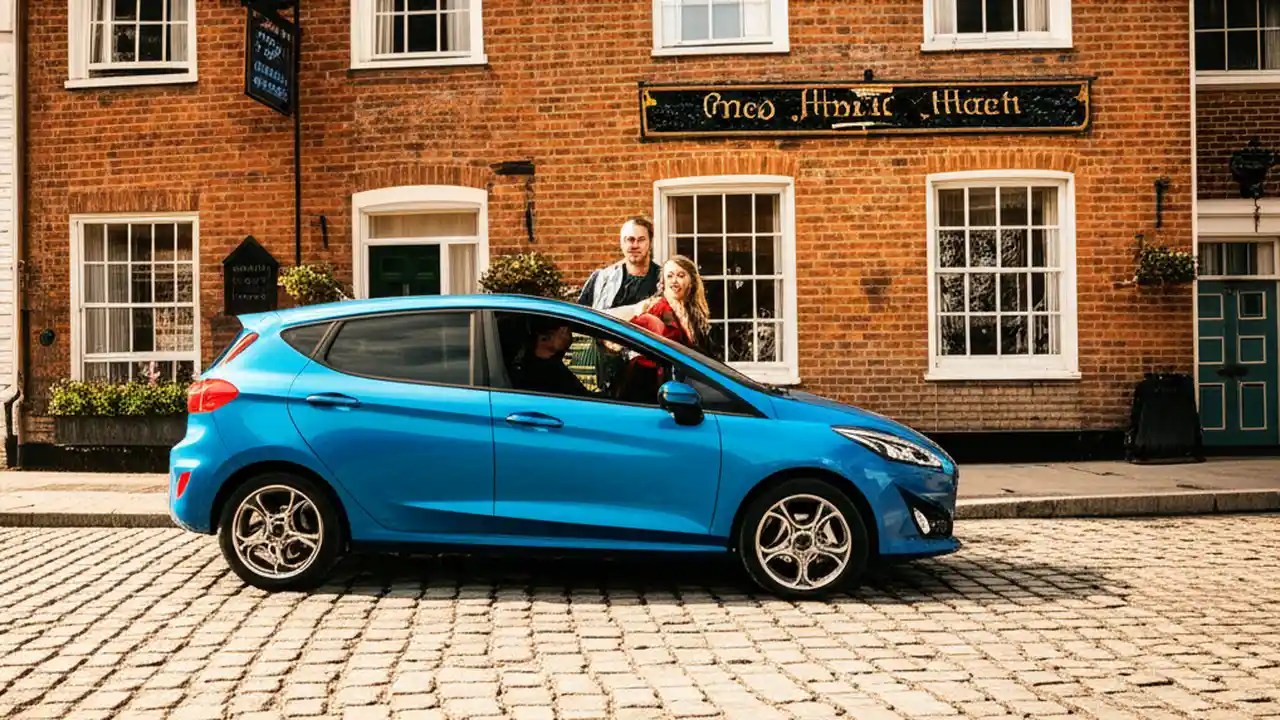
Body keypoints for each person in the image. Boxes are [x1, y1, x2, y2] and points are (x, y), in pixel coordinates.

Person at [576, 215, 662, 392]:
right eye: (629, 239)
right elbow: (580, 323)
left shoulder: (662, 280)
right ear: (622, 243)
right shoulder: (601, 279)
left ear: (650, 243)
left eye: (641, 240)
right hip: (605, 376)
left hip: (649, 377)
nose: (634, 245)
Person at [608, 255, 711, 402]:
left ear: (691, 282)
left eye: (681, 275)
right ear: (662, 282)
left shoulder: (694, 314)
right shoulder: (656, 308)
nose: (674, 281)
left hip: (680, 388)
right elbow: (624, 338)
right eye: (669, 276)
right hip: (648, 386)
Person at [513, 317, 592, 398]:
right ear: (544, 338)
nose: (569, 337)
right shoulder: (545, 371)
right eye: (563, 332)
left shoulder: (533, 363)